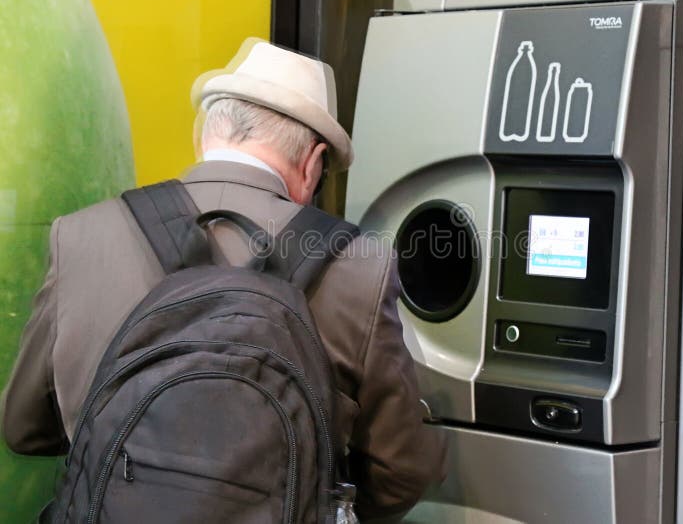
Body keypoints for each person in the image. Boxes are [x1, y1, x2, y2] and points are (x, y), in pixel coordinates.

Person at [1, 38, 447, 521]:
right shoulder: (361, 266)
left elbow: (25, 429)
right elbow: (400, 471)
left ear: (205, 135)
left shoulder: (82, 236)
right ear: (314, 162)